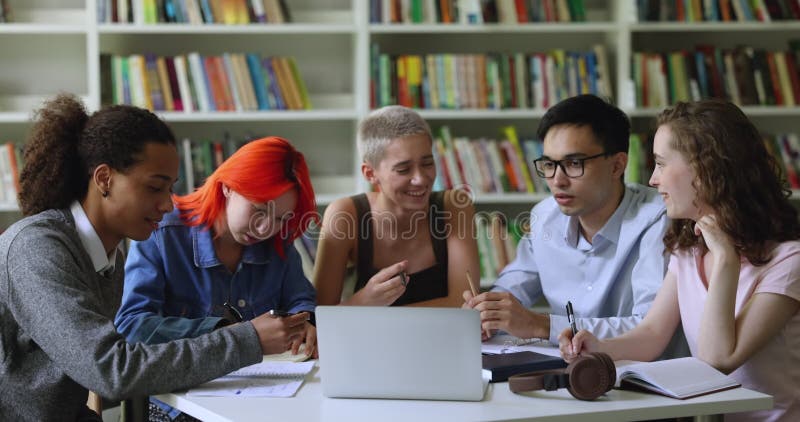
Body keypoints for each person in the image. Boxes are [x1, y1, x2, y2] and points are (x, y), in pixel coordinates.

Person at [0, 94, 307, 422]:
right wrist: (248, 339)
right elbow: (112, 371)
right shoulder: (36, 249)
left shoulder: (108, 254)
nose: (168, 205)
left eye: (170, 189)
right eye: (154, 188)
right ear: (105, 179)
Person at [559, 99, 800, 422]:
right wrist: (601, 346)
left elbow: (717, 359)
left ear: (704, 169)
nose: (652, 180)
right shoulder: (688, 249)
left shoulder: (788, 261)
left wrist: (726, 259)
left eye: (661, 163)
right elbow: (653, 333)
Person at [114, 136, 318, 420]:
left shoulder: (278, 241)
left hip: (266, 400)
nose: (265, 228)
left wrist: (303, 321)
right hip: (176, 405)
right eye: (259, 210)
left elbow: (300, 298)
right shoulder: (161, 233)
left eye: (281, 218)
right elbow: (132, 326)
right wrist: (232, 333)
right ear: (227, 187)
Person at [464, 94, 683, 351]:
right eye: (549, 164)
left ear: (617, 166)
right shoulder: (545, 217)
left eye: (573, 163)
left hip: (645, 378)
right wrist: (486, 312)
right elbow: (511, 289)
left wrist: (542, 325)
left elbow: (649, 328)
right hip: (569, 374)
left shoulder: (658, 218)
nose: (557, 180)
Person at [314, 105, 480, 307]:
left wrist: (373, 312)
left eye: (427, 163)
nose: (420, 179)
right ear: (370, 173)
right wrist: (364, 301)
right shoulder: (345, 215)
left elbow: (463, 303)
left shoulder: (454, 206)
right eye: (403, 169)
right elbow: (319, 318)